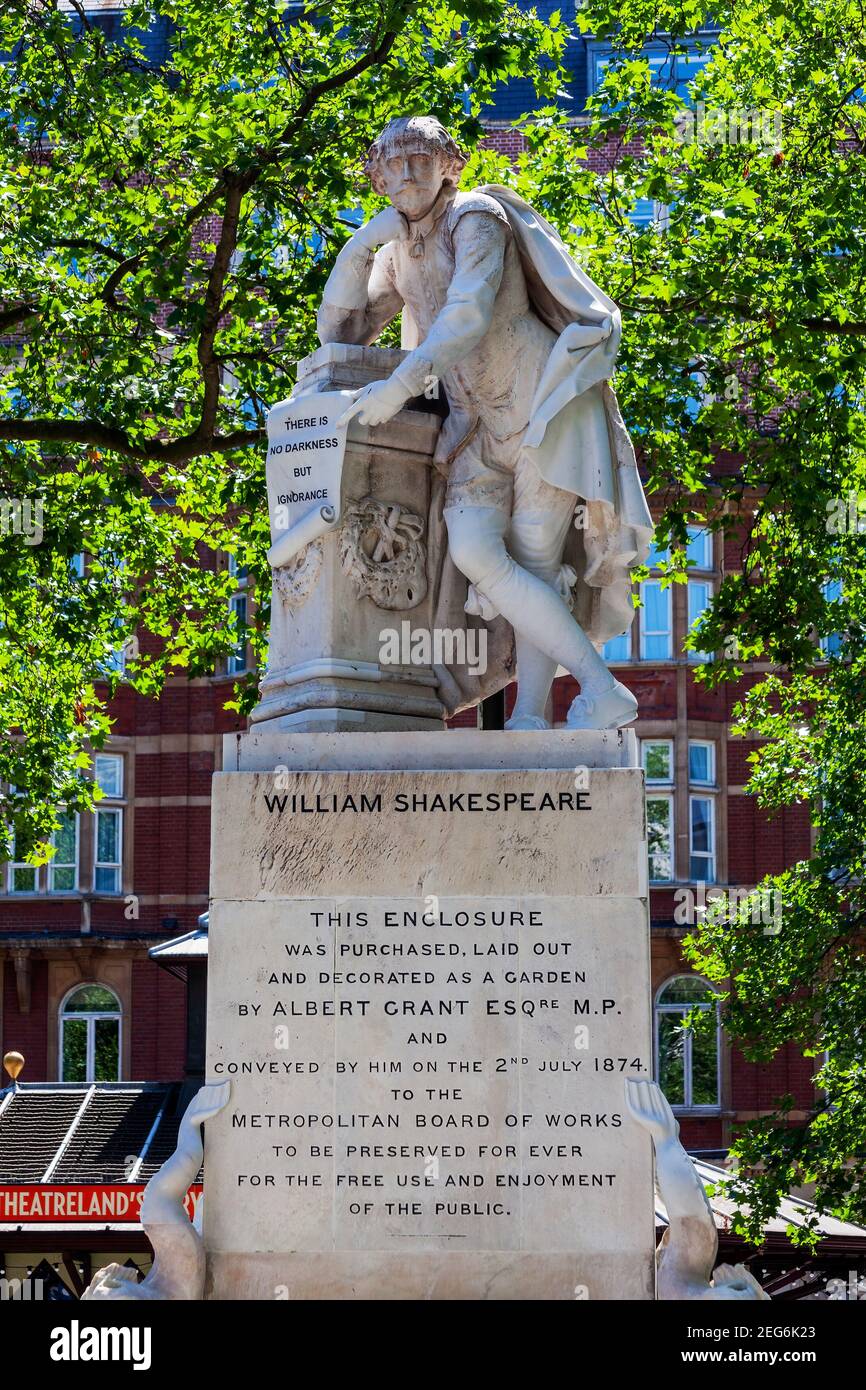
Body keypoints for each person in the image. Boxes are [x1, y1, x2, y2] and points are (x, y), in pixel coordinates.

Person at [320, 115, 653, 729]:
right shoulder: (397, 249)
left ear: (449, 164)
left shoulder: (477, 217)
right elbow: (341, 333)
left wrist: (398, 388)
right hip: (473, 427)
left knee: (534, 563)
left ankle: (529, 716)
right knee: (475, 549)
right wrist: (361, 244)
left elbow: (467, 313)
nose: (407, 174)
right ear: (377, 179)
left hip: (539, 410)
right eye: (391, 165)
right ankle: (600, 687)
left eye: (420, 158)